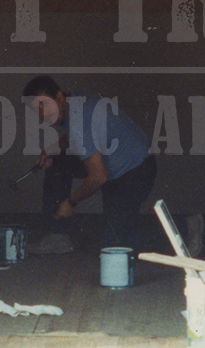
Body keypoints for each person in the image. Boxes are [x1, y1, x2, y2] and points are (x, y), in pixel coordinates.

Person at [22, 75, 158, 255]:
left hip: (134, 172)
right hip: (120, 162)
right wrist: (51, 150)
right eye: (36, 110)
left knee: (114, 245)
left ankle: (186, 227)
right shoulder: (76, 101)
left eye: (44, 105)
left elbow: (98, 176)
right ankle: (57, 236)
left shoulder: (78, 122)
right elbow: (80, 135)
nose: (42, 114)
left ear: (59, 97)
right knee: (57, 160)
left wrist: (71, 202)